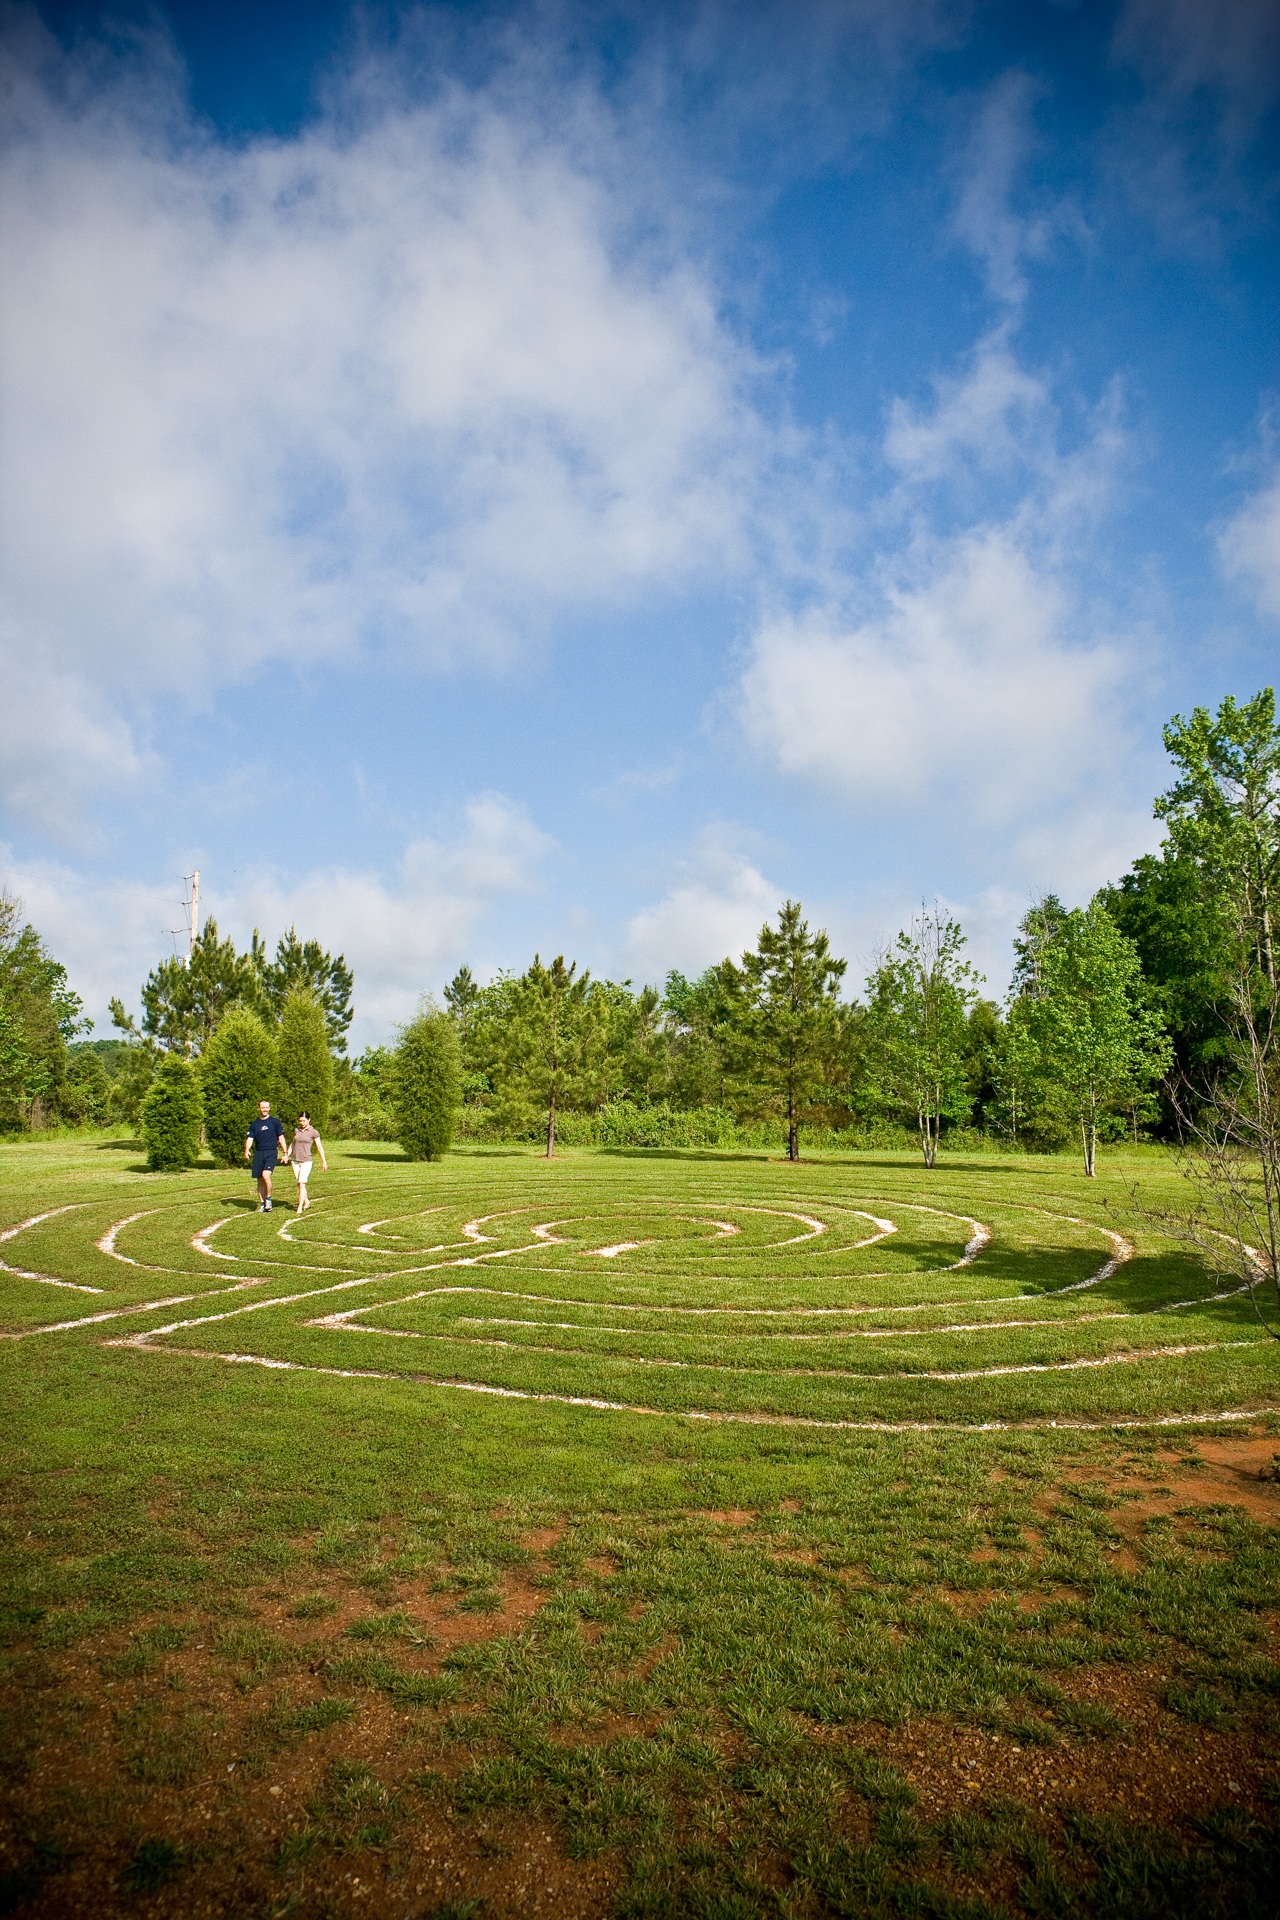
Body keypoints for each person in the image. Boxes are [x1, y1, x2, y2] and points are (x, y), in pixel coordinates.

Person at [244, 1098, 286, 1212]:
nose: (265, 1110)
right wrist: (247, 1150)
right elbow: (250, 1138)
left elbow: (281, 1138)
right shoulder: (254, 1124)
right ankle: (262, 1204)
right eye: (263, 1108)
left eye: (267, 1107)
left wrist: (285, 1153)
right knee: (260, 1180)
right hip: (259, 1153)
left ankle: (268, 1199)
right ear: (259, 1108)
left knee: (266, 1176)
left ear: (269, 1108)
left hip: (271, 1152)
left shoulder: (275, 1122)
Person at [288, 1110, 327, 1212]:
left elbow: (319, 1146)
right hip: (295, 1160)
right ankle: (307, 1202)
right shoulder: (296, 1130)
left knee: (302, 1183)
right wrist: (286, 1155)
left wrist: (324, 1161)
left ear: (309, 1120)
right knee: (299, 1183)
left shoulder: (314, 1132)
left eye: (304, 1121)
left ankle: (300, 1207)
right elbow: (292, 1144)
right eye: (300, 1121)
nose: (302, 1123)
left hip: (306, 1160)